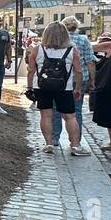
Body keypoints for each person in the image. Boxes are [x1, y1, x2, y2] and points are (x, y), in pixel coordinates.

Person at [28, 21, 88, 155]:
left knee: (46, 115)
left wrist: (29, 87)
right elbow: (78, 71)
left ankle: (49, 143)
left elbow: (31, 70)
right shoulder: (72, 50)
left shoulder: (38, 49)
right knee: (70, 116)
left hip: (42, 86)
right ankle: (75, 145)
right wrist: (77, 88)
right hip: (64, 87)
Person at [49, 17, 97, 147]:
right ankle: (76, 140)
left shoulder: (58, 40)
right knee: (76, 110)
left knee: (56, 109)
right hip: (79, 79)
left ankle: (54, 138)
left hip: (59, 79)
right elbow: (90, 62)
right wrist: (93, 80)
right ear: (77, 27)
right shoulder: (83, 40)